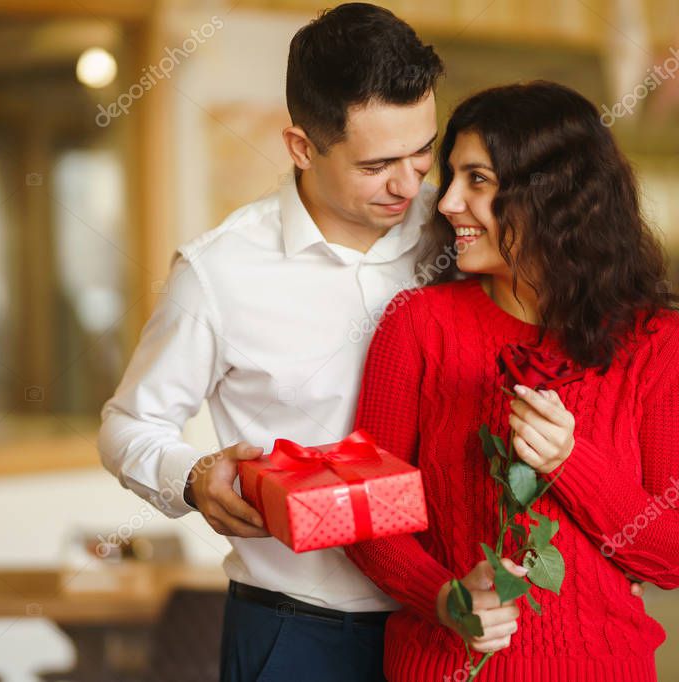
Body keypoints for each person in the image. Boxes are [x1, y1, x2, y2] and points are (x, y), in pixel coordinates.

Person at [98, 5, 513, 681]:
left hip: (452, 620)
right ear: (300, 147)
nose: (411, 184)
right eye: (378, 164)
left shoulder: (462, 235)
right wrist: (195, 478)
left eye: (422, 151)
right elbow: (127, 424)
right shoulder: (219, 272)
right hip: (294, 630)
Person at [345, 81, 679, 681]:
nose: (446, 202)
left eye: (478, 181)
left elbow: (673, 556)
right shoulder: (416, 326)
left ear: (552, 197)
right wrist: (444, 598)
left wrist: (571, 462)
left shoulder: (659, 346)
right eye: (452, 176)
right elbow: (370, 519)